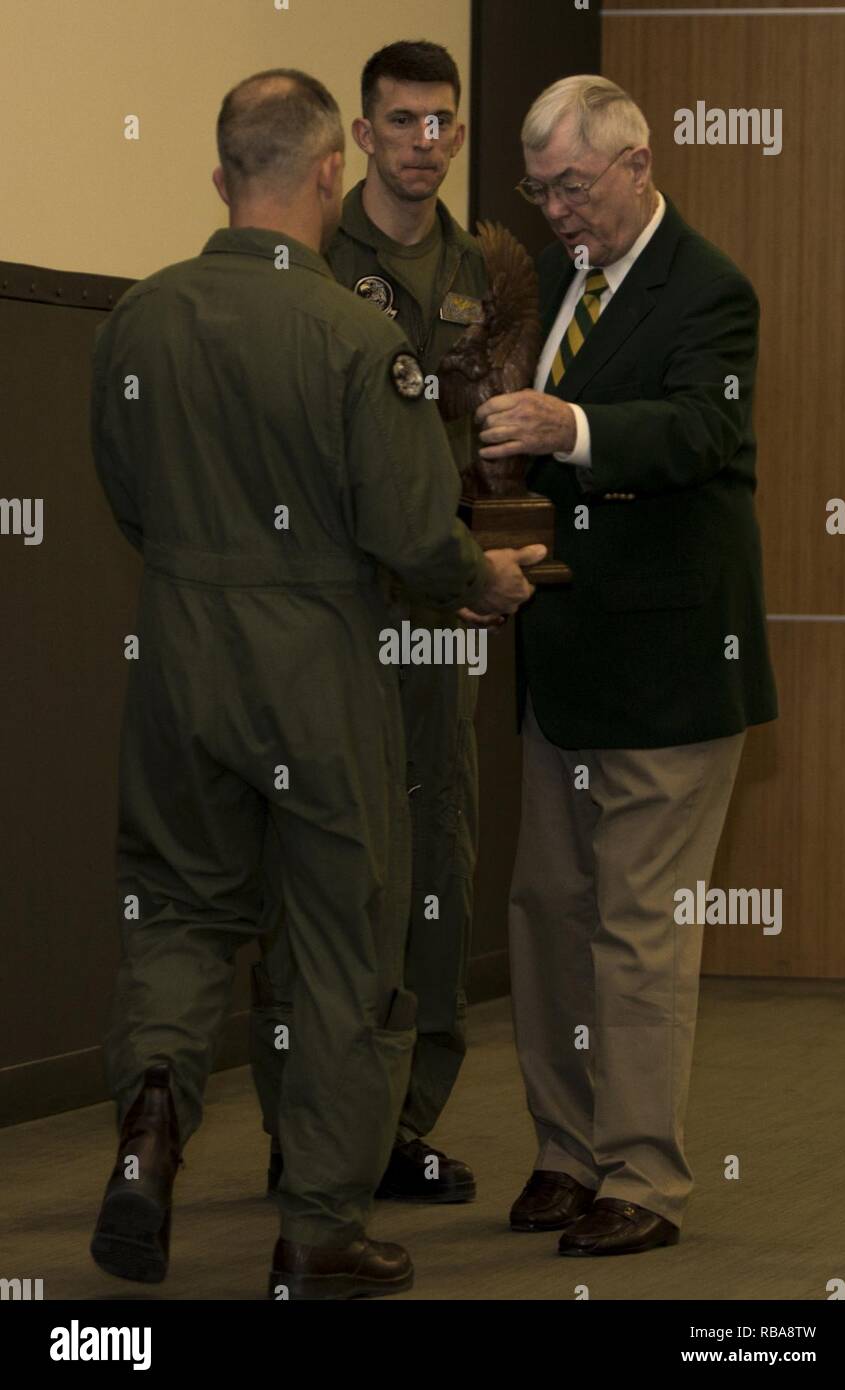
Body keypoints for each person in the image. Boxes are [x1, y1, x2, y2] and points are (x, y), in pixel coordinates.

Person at [89, 67, 541, 1300]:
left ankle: (146, 1126)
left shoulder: (138, 315)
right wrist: (483, 580)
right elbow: (408, 531)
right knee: (345, 940)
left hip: (176, 660)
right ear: (331, 169)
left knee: (180, 912)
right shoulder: (357, 336)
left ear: (219, 174)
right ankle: (318, 1230)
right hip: (316, 674)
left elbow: (127, 494)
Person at [476, 75, 778, 1256]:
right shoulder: (546, 282)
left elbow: (705, 428)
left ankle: (644, 1177)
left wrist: (572, 429)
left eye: (572, 184)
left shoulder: (709, 290)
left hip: (671, 664)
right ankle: (566, 1151)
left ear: (638, 164)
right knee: (548, 911)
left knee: (637, 922)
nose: (553, 208)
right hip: (564, 659)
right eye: (536, 186)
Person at [251, 41, 494, 1206]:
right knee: (322, 870)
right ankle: (302, 1122)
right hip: (331, 613)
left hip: (438, 610)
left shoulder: (483, 265)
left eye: (440, 121)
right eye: (400, 121)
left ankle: (403, 1121)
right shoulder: (309, 253)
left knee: (436, 857)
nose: (423, 142)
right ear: (359, 136)